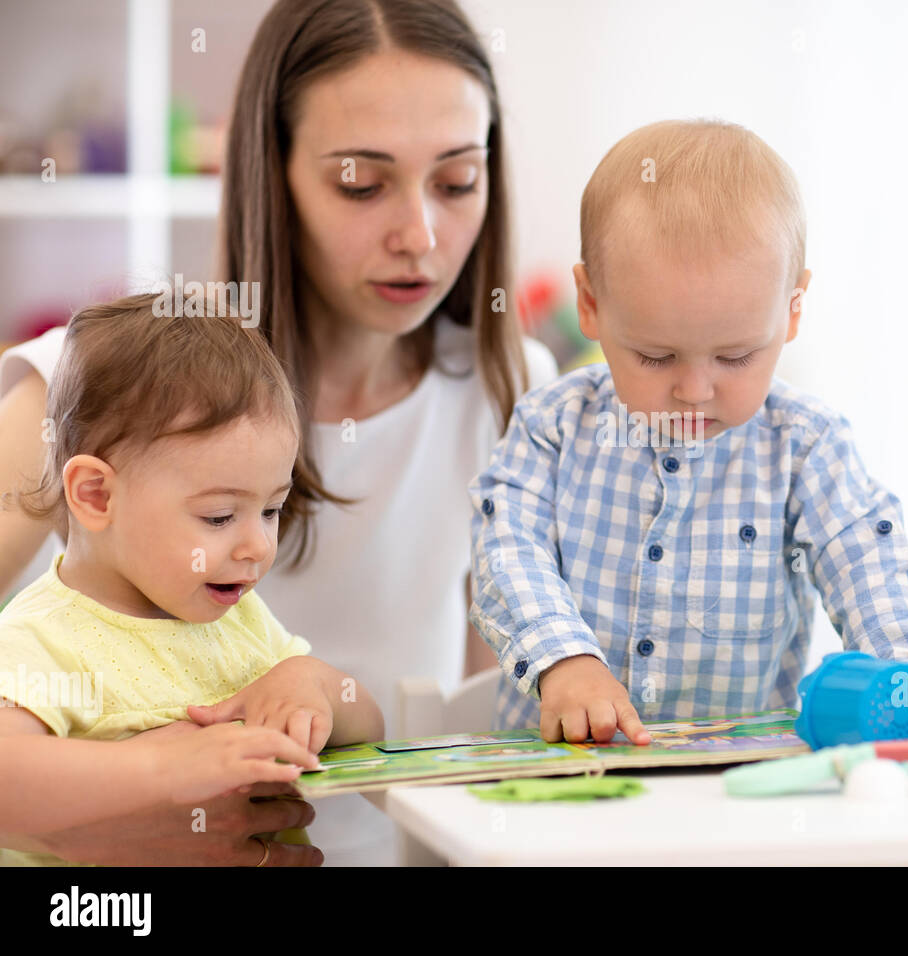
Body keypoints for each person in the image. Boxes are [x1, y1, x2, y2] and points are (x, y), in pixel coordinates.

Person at [0, 0, 553, 866]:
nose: (421, 235)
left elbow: (488, 717)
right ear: (271, 170)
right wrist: (107, 827)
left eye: (456, 180)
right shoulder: (91, 385)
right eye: (361, 183)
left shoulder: (511, 392)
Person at [469, 119, 908, 747]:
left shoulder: (806, 447)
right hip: (555, 786)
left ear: (793, 310)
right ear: (590, 303)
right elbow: (506, 551)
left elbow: (871, 569)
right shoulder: (551, 428)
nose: (694, 390)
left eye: (735, 357)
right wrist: (565, 660)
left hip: (734, 791)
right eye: (654, 356)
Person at [0, 295, 384, 866]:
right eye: (220, 517)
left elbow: (369, 726)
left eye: (272, 510)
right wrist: (167, 769)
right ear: (96, 495)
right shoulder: (43, 637)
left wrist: (312, 684)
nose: (257, 545)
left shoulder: (243, 621)